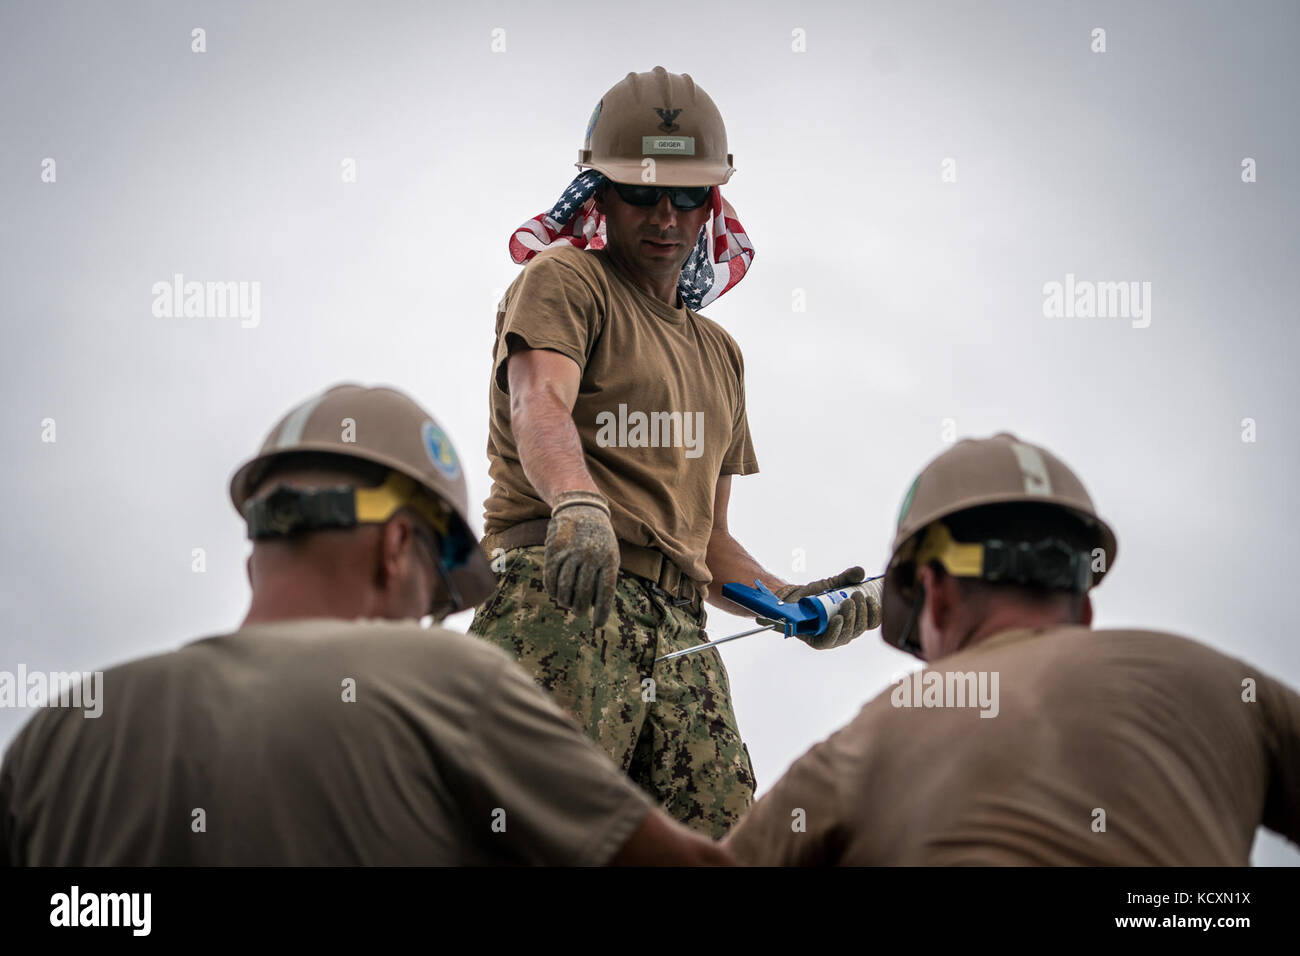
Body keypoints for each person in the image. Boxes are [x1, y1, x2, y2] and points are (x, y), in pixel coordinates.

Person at [0, 384, 732, 866]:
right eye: (440, 595)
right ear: (394, 551)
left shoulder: (61, 732)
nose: (433, 621)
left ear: (258, 551)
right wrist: (845, 766)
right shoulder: (447, 686)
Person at [471, 66, 875, 837]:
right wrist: (578, 501)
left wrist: (787, 602)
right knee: (525, 840)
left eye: (688, 196)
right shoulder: (566, 280)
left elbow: (709, 538)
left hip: (682, 636)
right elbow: (539, 403)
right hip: (560, 598)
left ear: (712, 203)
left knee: (720, 849)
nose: (666, 215)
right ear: (598, 194)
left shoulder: (721, 355)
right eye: (641, 192)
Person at [726, 432, 1300, 865]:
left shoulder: (860, 749)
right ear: (1085, 609)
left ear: (937, 597)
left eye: (918, 640)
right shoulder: (1224, 688)